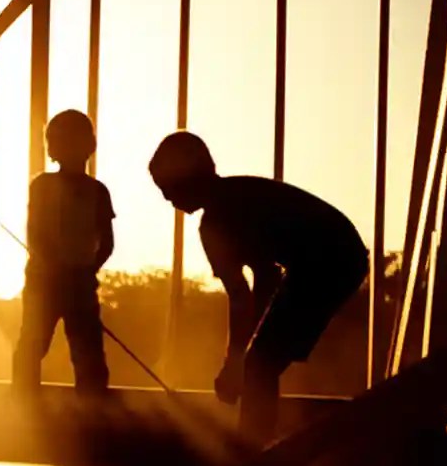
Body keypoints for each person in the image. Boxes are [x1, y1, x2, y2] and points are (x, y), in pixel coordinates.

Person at [149, 131, 368, 444]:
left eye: (166, 188)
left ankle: (252, 450)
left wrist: (234, 363)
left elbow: (241, 297)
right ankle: (256, 445)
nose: (166, 199)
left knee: (258, 367)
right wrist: (247, 351)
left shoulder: (216, 222)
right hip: (341, 253)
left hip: (324, 262)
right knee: (260, 363)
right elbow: (265, 280)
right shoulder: (241, 192)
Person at [13, 110, 114, 403]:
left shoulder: (92, 191)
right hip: (50, 282)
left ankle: (84, 410)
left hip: (69, 282)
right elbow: (36, 234)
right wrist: (75, 270)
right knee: (37, 346)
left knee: (83, 354)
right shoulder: (52, 187)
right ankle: (27, 404)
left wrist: (81, 271)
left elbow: (106, 242)